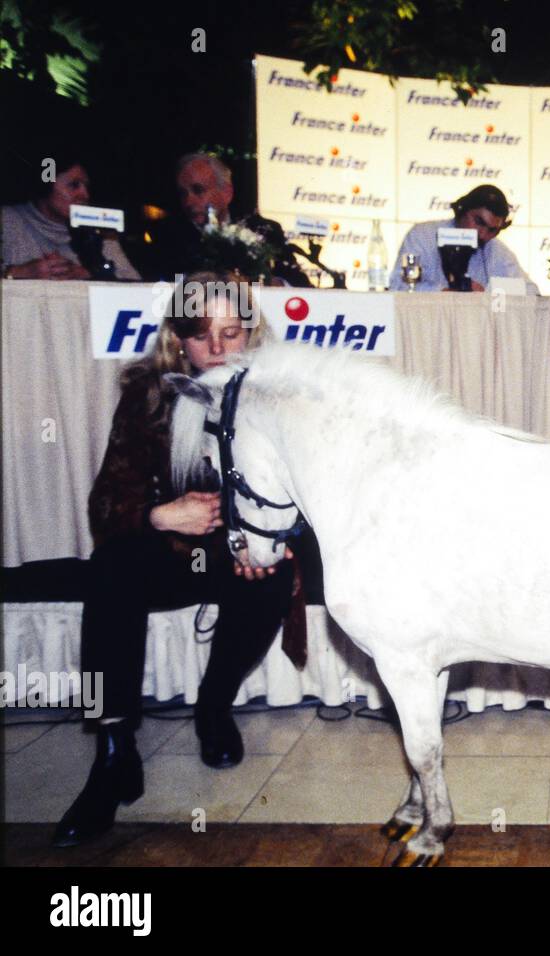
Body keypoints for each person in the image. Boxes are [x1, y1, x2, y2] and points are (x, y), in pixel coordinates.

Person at [52, 272, 299, 848]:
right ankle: (113, 752)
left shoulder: (278, 397)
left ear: (252, 335)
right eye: (200, 335)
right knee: (109, 572)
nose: (216, 349)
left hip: (237, 554)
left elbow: (310, 498)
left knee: (272, 577)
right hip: (166, 553)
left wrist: (269, 542)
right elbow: (107, 501)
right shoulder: (148, 395)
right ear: (177, 339)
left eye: (231, 333)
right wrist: (164, 515)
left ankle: (214, 708)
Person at [146, 152, 310, 286]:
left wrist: (276, 283)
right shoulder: (168, 236)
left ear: (226, 192)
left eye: (198, 190)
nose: (189, 201)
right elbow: (162, 286)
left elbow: (300, 282)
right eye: (183, 193)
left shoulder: (265, 230)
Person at [2, 153, 141, 280]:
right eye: (74, 185)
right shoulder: (6, 220)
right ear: (46, 186)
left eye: (86, 187)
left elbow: (135, 284)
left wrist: (89, 274)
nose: (85, 195)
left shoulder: (98, 229)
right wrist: (17, 273)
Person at [388, 184, 538, 293]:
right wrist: (447, 293)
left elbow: (532, 292)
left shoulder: (496, 250)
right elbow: (399, 286)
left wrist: (489, 291)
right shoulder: (422, 236)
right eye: (479, 222)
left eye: (493, 230)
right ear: (462, 210)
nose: (483, 234)